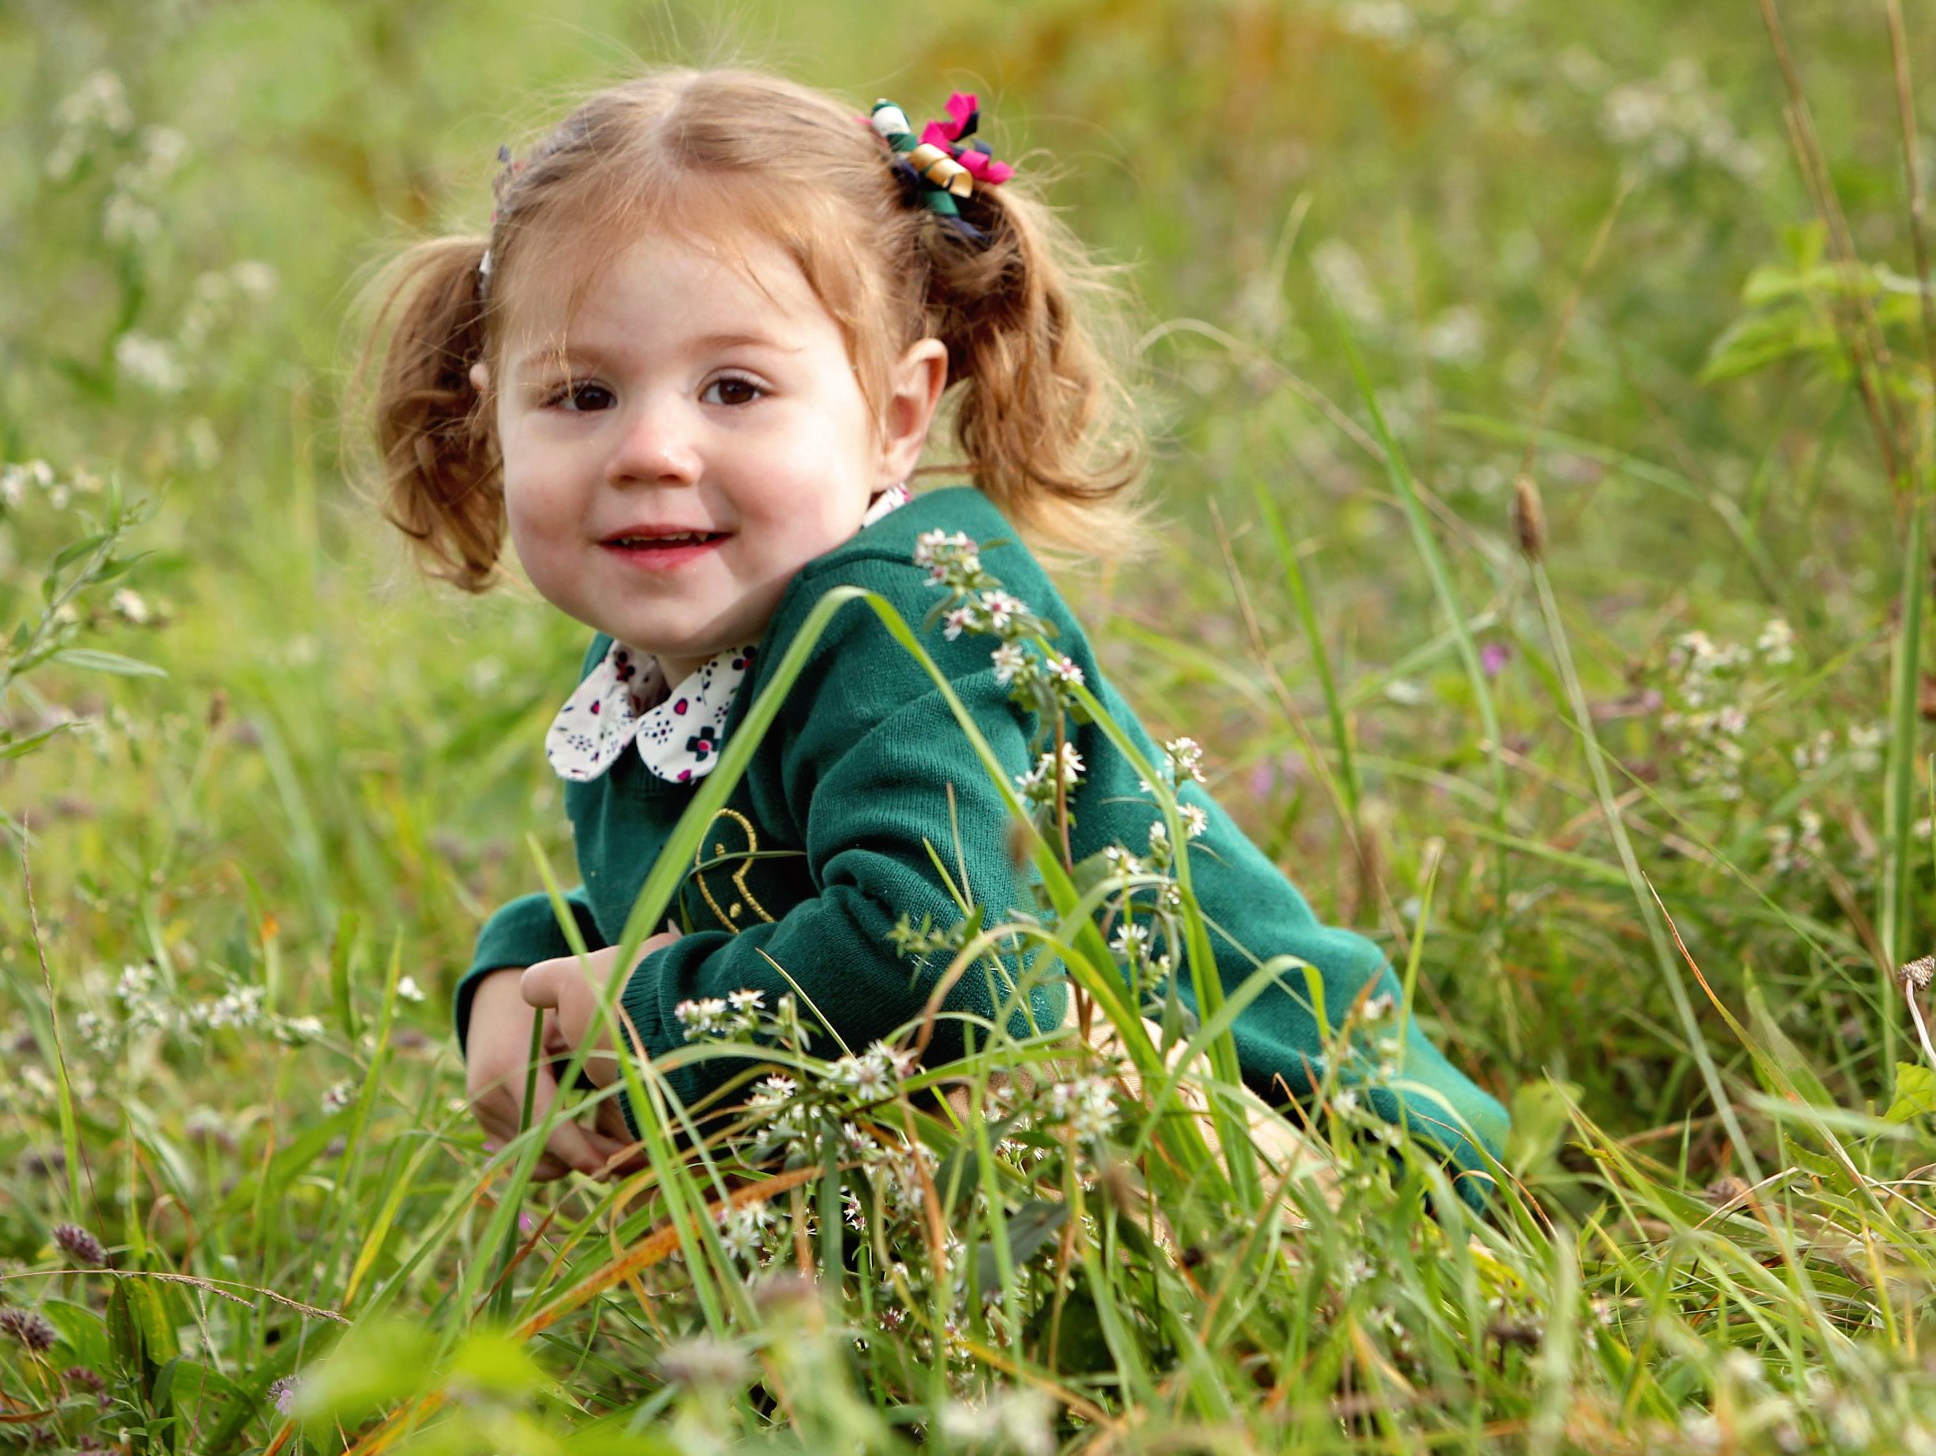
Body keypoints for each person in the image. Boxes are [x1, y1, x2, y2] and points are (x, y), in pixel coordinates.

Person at [366, 68, 1505, 1192]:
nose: (649, 450)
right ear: (493, 417)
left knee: (1006, 1036)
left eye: (735, 389)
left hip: (1337, 1159)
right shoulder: (666, 656)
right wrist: (527, 966)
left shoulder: (912, 616)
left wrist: (654, 1009)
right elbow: (742, 885)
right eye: (579, 395)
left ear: (896, 417)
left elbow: (952, 961)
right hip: (1074, 1160)